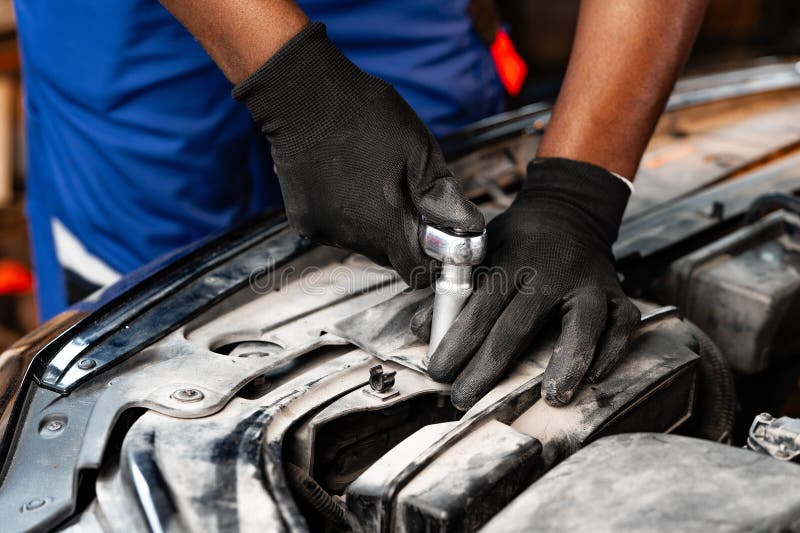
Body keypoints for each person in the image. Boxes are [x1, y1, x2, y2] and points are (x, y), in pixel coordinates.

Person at [16, 0, 708, 409]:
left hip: (396, 12)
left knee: (432, 202)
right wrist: (296, 87)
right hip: (129, 23)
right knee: (144, 330)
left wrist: (577, 193)